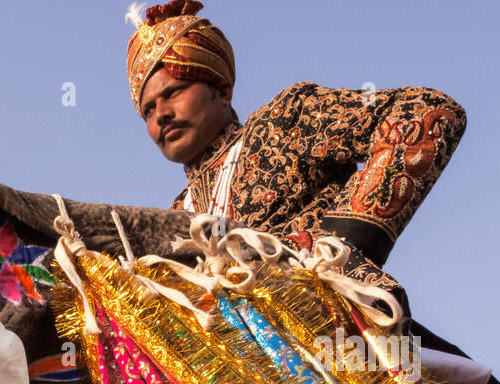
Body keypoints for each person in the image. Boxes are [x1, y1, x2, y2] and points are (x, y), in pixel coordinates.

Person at [126, 1, 467, 317]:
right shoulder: (177, 214)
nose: (161, 115)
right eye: (148, 111)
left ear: (222, 89)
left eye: (172, 93)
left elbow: (423, 111)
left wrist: (334, 248)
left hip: (334, 335)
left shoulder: (282, 120)